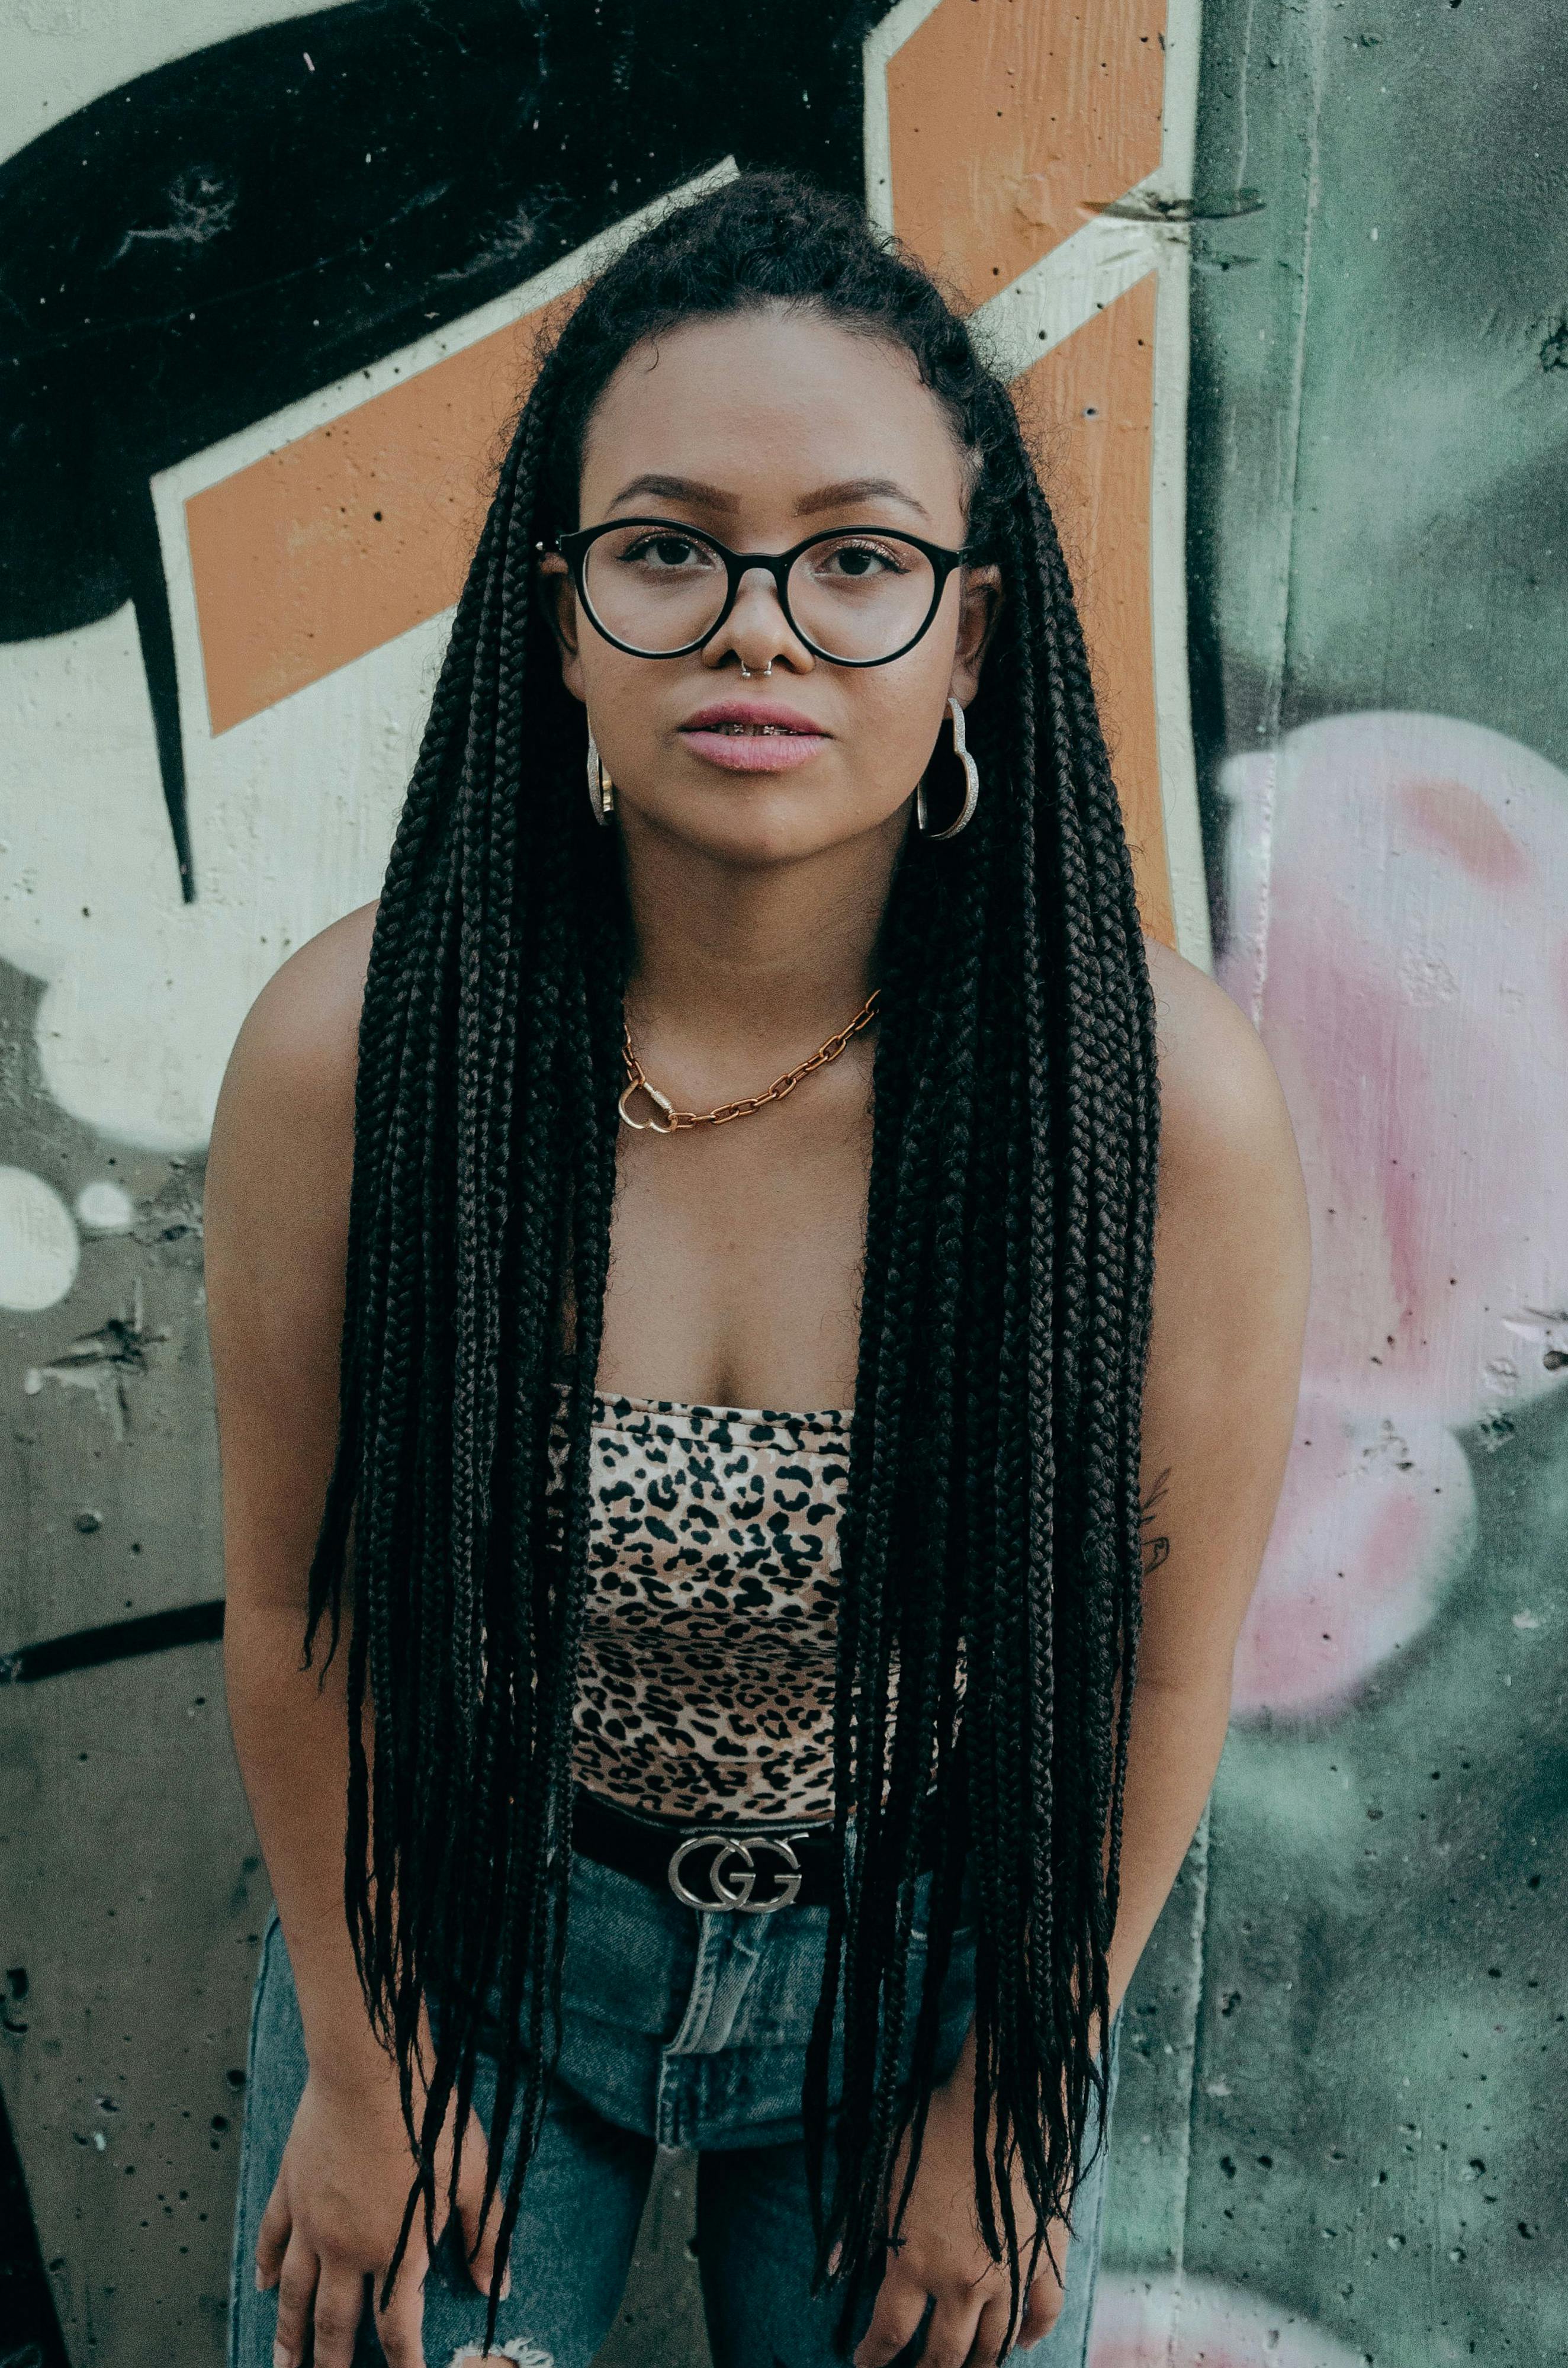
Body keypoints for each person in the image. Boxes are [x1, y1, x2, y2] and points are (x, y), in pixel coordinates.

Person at [206, 172, 1309, 2368]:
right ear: (563, 609)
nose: (759, 623)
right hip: (464, 1946)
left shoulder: (1145, 1103)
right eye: (668, 545)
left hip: (929, 1982)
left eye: (862, 560)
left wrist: (1013, 2092)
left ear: (970, 633)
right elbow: (291, 1613)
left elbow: (1159, 1676)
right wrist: (356, 2059)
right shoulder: (370, 1054)